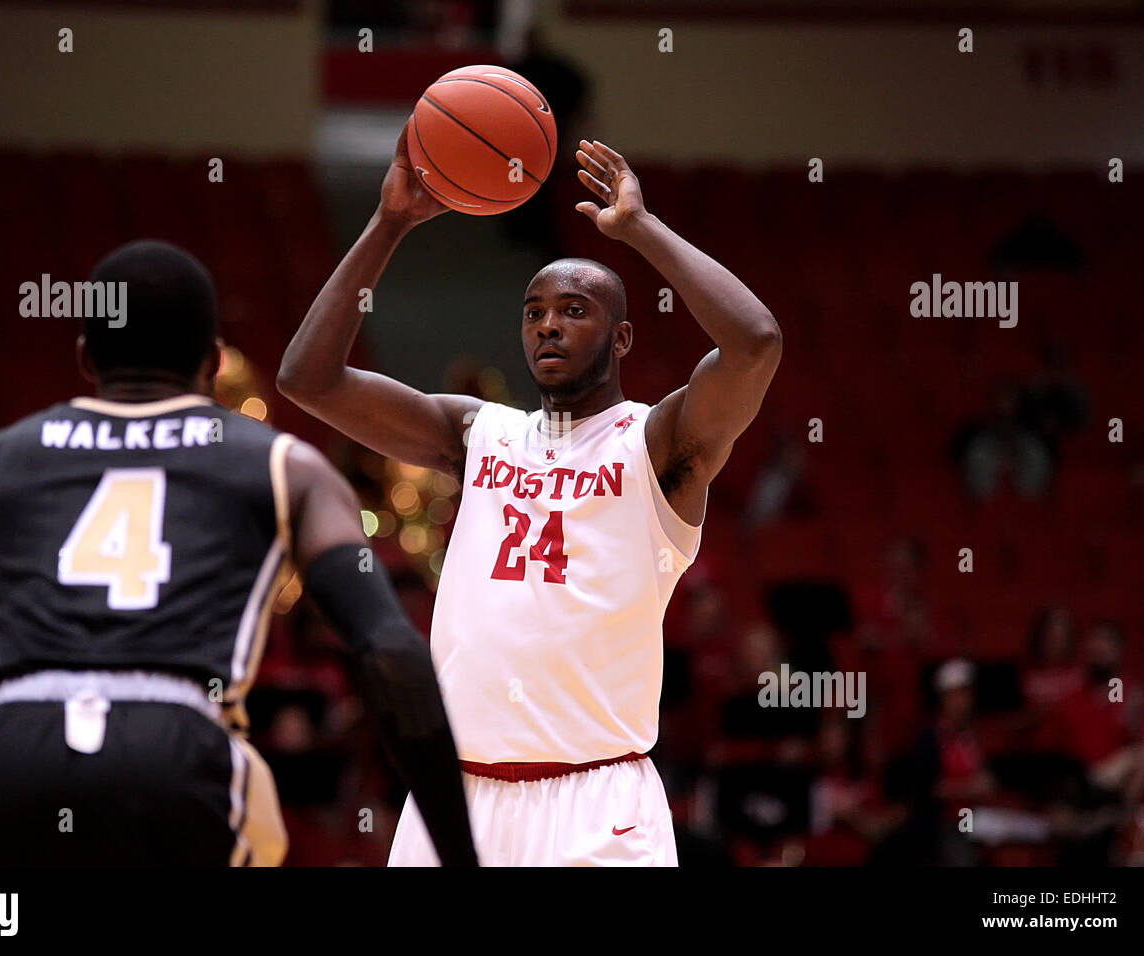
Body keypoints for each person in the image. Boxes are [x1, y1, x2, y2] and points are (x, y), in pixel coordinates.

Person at [0, 240, 476, 867]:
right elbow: (389, 650)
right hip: (175, 754)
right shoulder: (284, 467)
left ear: (86, 358)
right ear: (212, 362)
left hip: (2, 757)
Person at [278, 133, 782, 865]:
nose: (548, 323)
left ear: (621, 338)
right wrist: (389, 222)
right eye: (534, 310)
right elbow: (308, 379)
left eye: (575, 310)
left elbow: (756, 342)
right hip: (457, 794)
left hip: (596, 800)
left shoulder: (658, 446)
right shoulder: (479, 432)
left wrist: (640, 228)